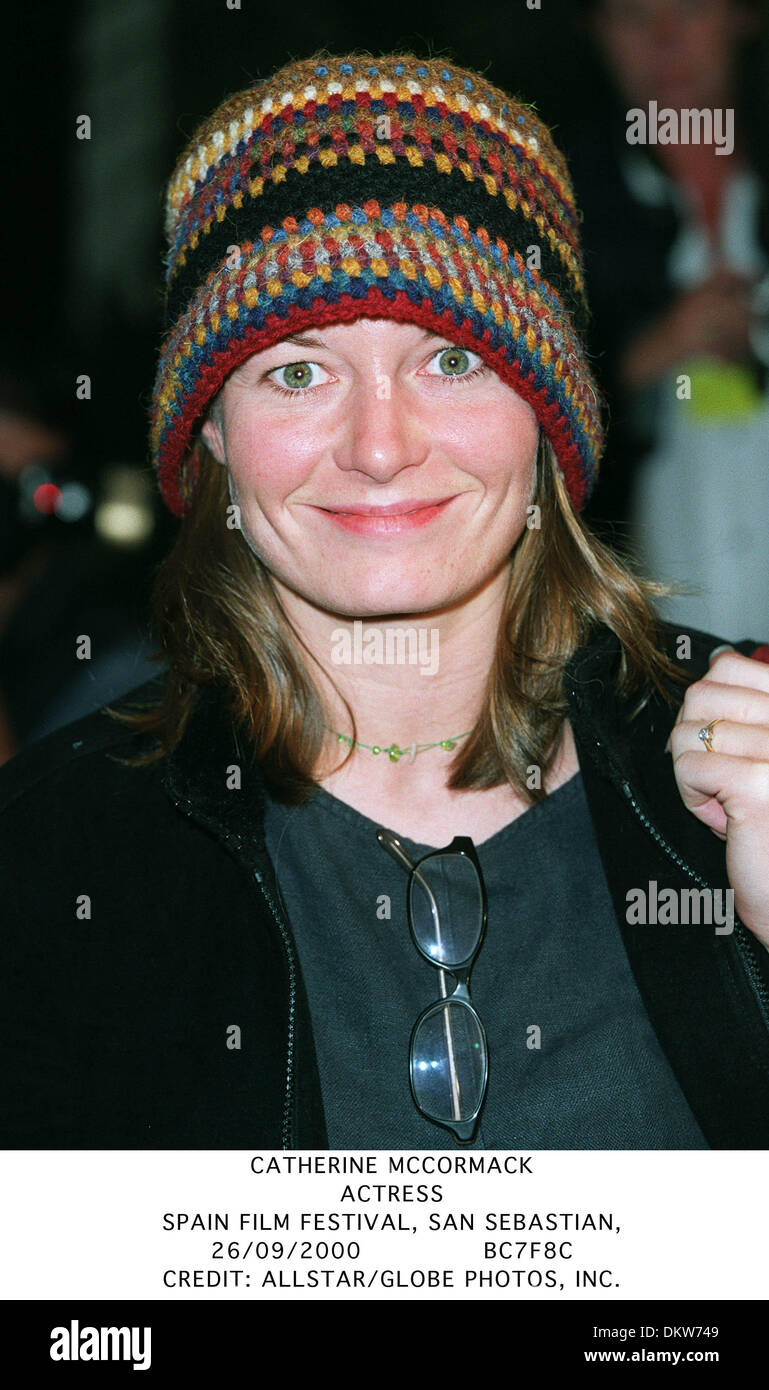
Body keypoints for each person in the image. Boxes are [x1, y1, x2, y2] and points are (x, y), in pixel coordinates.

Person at [1, 50, 769, 1151]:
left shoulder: (742, 763)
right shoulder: (51, 864)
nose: (377, 445)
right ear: (210, 432)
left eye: (451, 359)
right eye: (298, 373)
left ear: (549, 414)